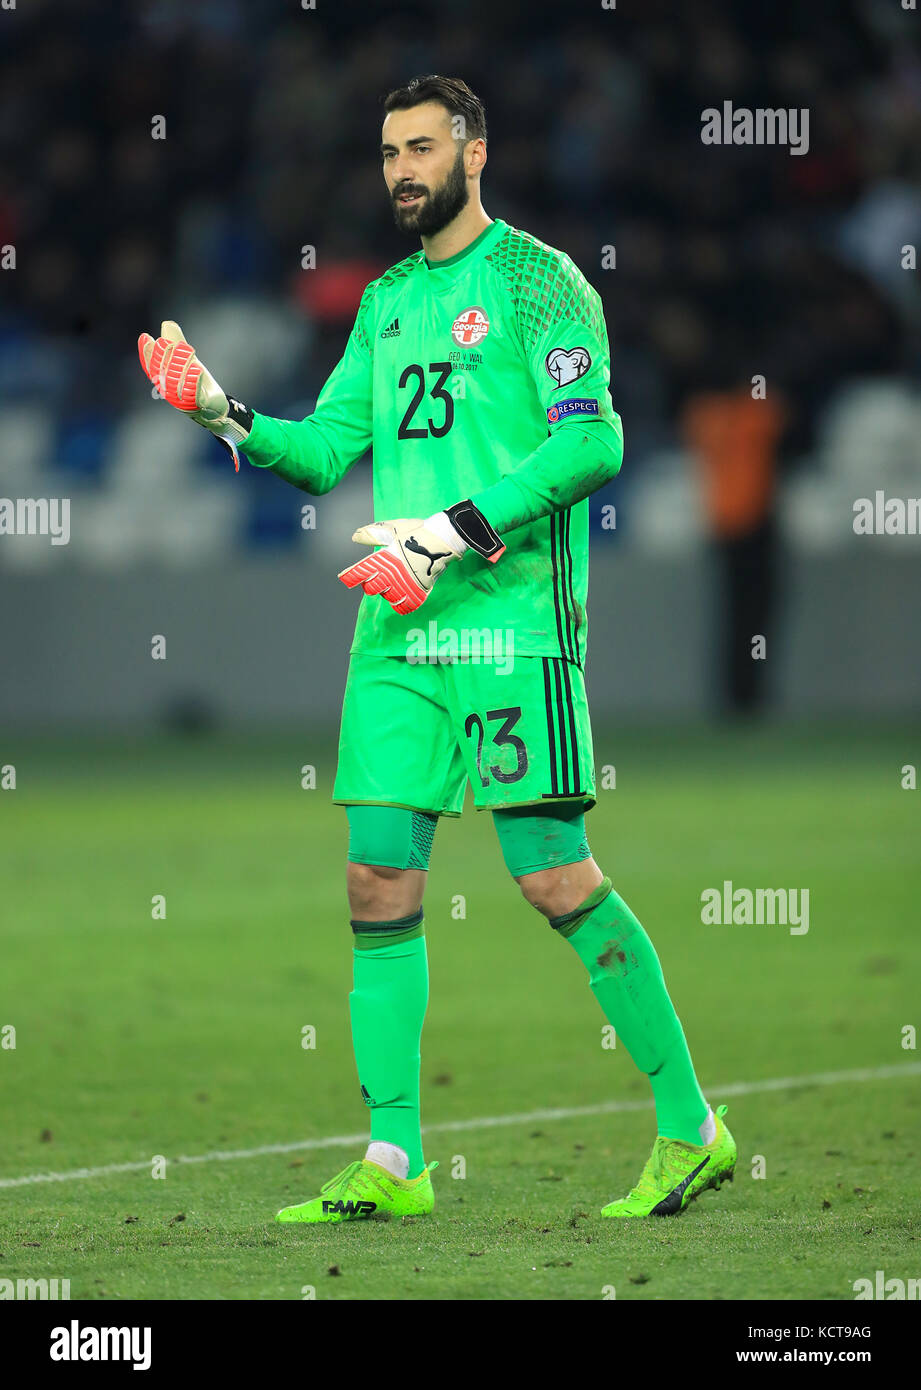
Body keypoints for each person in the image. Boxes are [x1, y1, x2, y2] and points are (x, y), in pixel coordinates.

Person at [138, 74, 735, 1223]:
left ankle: (692, 1127)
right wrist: (222, 412)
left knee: (553, 874)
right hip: (397, 626)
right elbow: (323, 453)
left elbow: (597, 440)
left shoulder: (539, 280)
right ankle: (395, 1158)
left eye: (421, 148)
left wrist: (455, 528)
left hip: (511, 622)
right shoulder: (383, 303)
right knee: (374, 880)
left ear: (474, 153)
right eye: (386, 154)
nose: (401, 171)